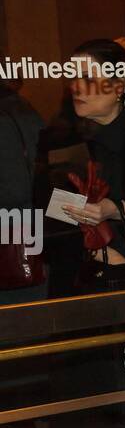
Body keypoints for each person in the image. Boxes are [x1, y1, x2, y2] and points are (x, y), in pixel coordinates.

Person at [34, 38, 125, 297]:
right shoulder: (62, 140)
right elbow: (45, 207)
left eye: (87, 77)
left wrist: (118, 211)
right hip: (80, 282)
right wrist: (87, 223)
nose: (76, 87)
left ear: (119, 86)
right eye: (72, 77)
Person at [0, 78, 46, 304]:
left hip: (14, 242)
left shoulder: (5, 116)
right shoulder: (19, 107)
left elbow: (16, 188)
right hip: (29, 231)